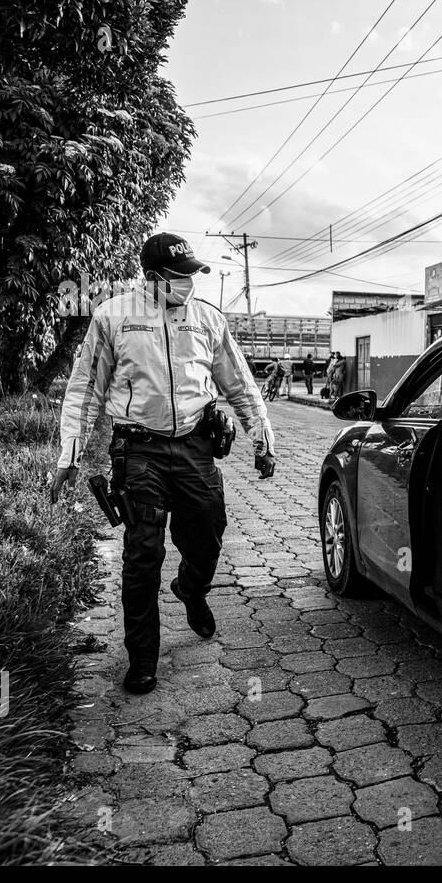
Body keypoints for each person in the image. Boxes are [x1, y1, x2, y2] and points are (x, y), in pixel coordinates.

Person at [50, 232, 277, 695]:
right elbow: (85, 389)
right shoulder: (113, 316)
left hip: (195, 448)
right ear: (152, 278)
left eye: (193, 274)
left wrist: (262, 436)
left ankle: (192, 590)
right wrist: (69, 454)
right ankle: (142, 661)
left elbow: (238, 382)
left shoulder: (208, 319)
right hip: (139, 453)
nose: (190, 282)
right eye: (181, 275)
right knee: (143, 555)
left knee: (208, 536)